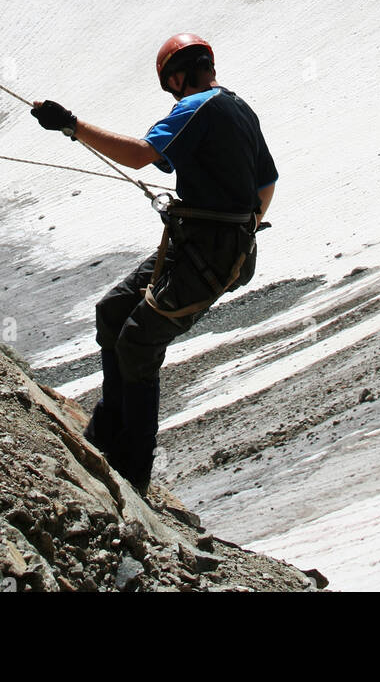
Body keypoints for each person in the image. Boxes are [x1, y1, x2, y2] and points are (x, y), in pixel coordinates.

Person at [31, 32, 277, 497]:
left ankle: (131, 471)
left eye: (170, 83)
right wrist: (237, 229)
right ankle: (109, 431)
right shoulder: (240, 108)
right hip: (211, 246)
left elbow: (142, 156)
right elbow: (267, 183)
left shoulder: (195, 108)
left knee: (139, 345)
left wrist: (71, 124)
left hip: (206, 249)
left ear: (178, 77)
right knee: (114, 311)